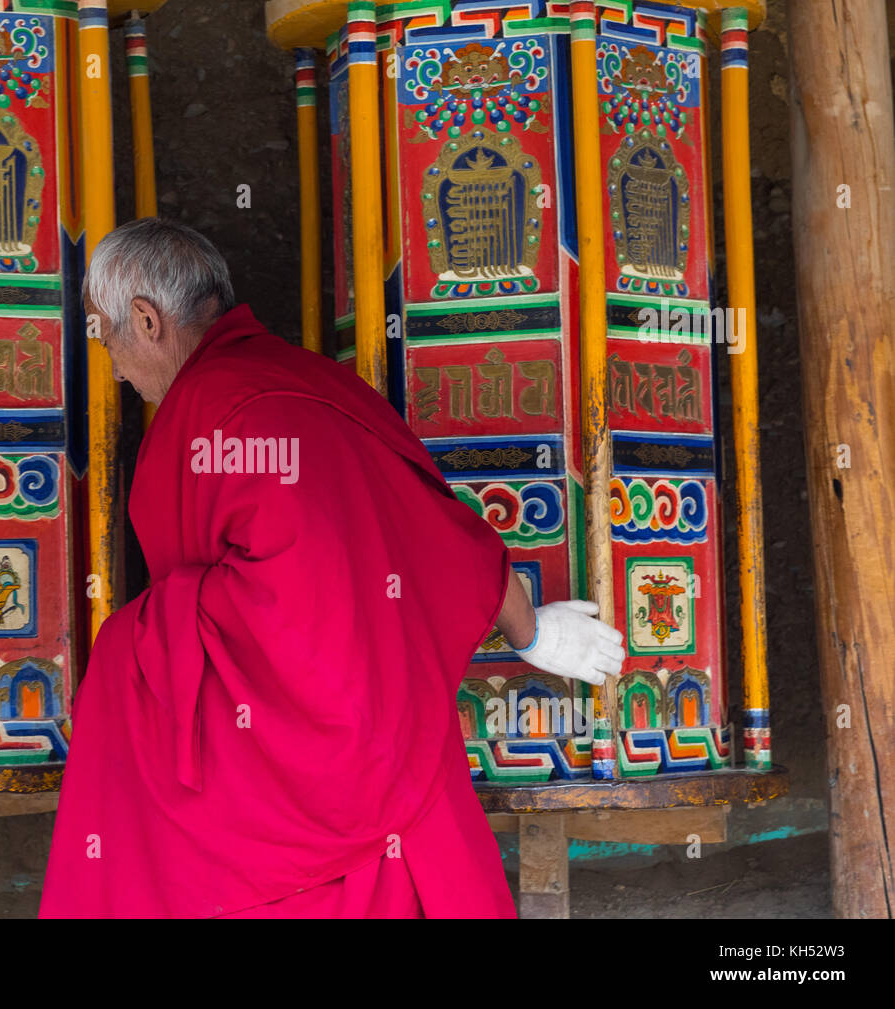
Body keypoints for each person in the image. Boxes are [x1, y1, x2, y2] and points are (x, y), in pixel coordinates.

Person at [38, 218, 624, 918]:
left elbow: (284, 601)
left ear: (146, 319)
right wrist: (531, 632)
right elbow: (435, 529)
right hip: (398, 740)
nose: (112, 364)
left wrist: (134, 640)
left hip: (303, 767)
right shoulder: (321, 380)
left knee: (123, 677)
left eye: (105, 336)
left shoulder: (205, 411)